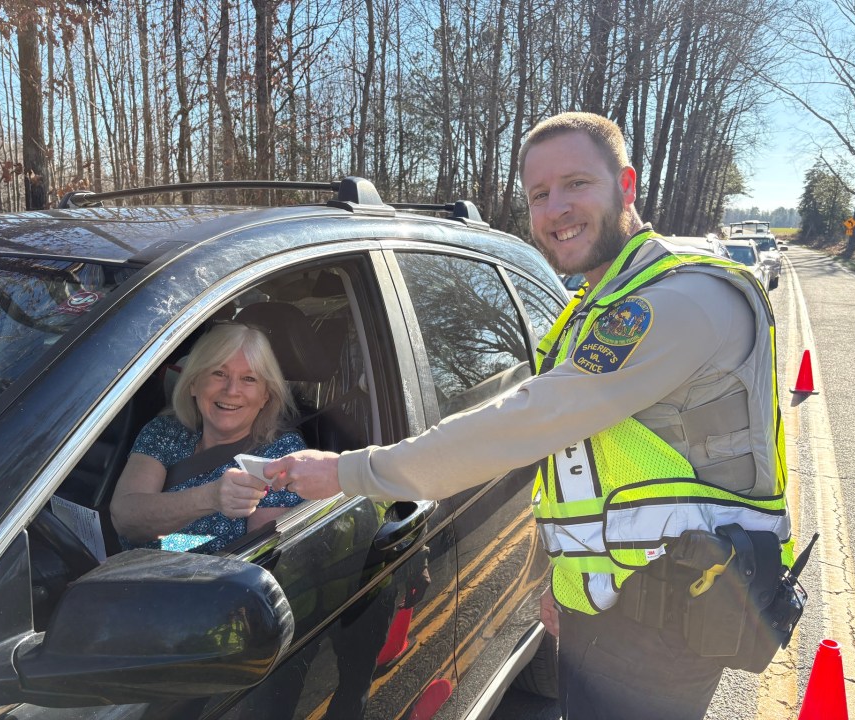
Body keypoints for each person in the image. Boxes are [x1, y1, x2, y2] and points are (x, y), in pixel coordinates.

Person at [264, 112, 792, 719]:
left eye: (576, 184)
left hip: (665, 632)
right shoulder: (597, 307)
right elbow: (579, 465)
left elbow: (526, 423)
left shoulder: (682, 301)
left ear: (627, 185)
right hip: (614, 609)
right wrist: (559, 581)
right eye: (540, 194)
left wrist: (346, 472)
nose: (556, 209)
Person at [111, 322, 305, 554]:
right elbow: (125, 518)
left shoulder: (281, 454)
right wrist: (209, 497)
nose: (232, 390)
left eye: (249, 379)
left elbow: (259, 560)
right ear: (193, 383)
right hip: (125, 575)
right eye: (219, 373)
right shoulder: (166, 431)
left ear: (265, 395)